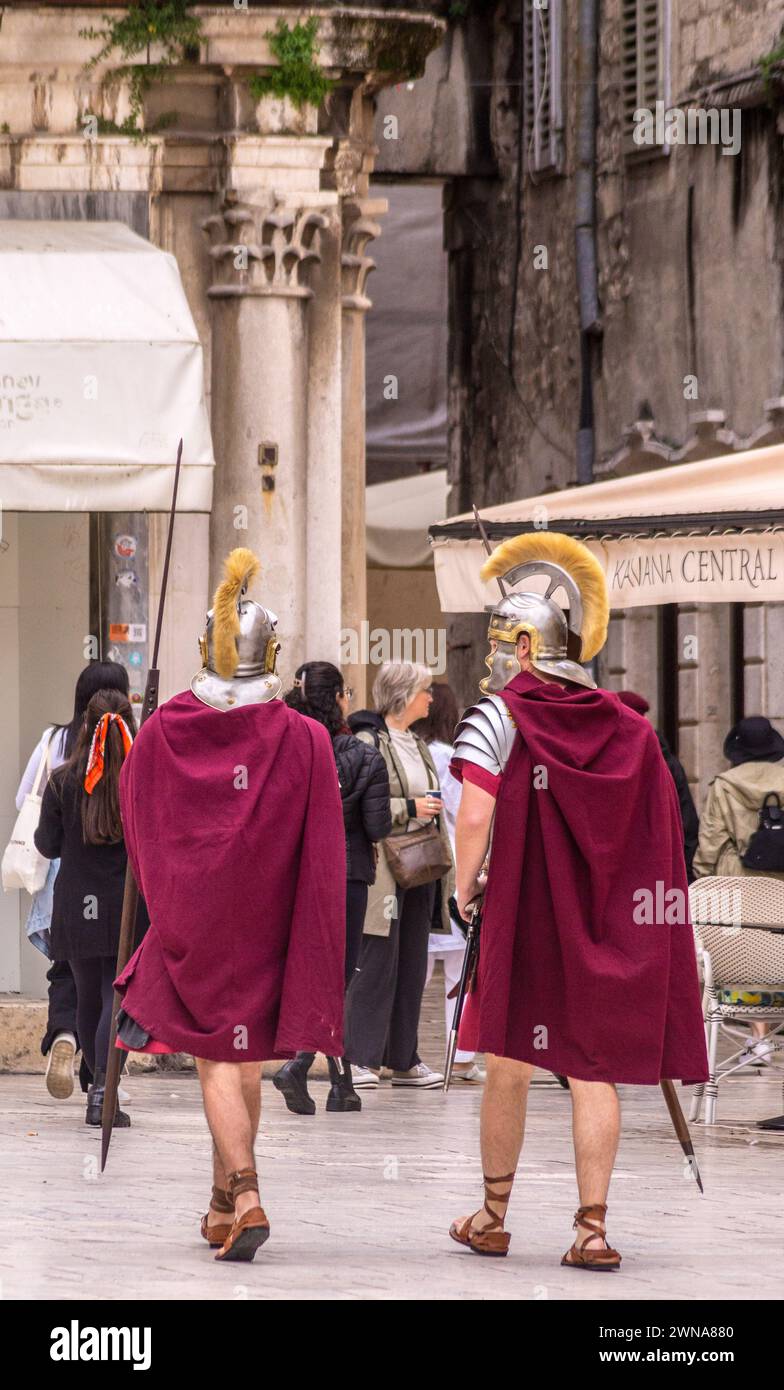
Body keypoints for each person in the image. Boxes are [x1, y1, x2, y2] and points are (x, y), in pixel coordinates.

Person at [447, 531, 708, 1267]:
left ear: (526, 647)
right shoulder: (631, 730)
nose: (500, 660)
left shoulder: (502, 716)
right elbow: (657, 836)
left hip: (526, 918)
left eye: (505, 644)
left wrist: (465, 886)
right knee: (591, 1068)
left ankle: (493, 1216)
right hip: (606, 925)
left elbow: (474, 813)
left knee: (507, 1059)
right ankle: (591, 1230)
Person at [113, 549, 346, 1262]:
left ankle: (239, 1193)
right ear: (270, 655)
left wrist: (166, 896)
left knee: (219, 1057)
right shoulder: (306, 737)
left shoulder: (163, 729)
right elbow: (323, 841)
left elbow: (136, 819)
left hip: (196, 921)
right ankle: (228, 1198)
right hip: (270, 924)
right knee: (241, 1061)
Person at [274, 660, 392, 1115]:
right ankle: (300, 1064)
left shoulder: (289, 747)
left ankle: (342, 1085)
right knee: (338, 977)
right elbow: (377, 826)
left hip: (300, 876)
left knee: (315, 973)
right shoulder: (364, 756)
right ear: (340, 698)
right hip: (347, 876)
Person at [15, 660, 131, 1100]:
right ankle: (104, 1087)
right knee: (112, 994)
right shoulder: (137, 778)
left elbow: (46, 844)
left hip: (75, 899)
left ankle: (85, 1061)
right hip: (122, 901)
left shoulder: (63, 779)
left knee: (86, 997)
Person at [343, 661, 454, 1089]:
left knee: (412, 961)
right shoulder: (371, 742)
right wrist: (410, 809)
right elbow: (361, 809)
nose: (430, 697)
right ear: (405, 695)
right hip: (385, 868)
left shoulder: (418, 743)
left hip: (420, 865)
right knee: (377, 961)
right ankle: (359, 1056)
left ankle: (403, 1057)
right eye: (424, 690)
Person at [693, 715, 784, 1070]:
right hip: (781, 882)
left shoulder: (725, 784)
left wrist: (702, 879)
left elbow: (711, 840)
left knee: (747, 955)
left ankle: (758, 1037)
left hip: (740, 881)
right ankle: (766, 1034)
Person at [414, 682, 483, 1083]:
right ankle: (460, 1058)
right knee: (461, 971)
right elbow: (465, 811)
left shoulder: (415, 752)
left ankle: (396, 1048)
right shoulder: (450, 757)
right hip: (454, 865)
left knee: (414, 970)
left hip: (421, 866)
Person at [616, 690, 699, 882]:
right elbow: (687, 821)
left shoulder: (661, 761)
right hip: (660, 863)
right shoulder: (667, 760)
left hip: (631, 868)